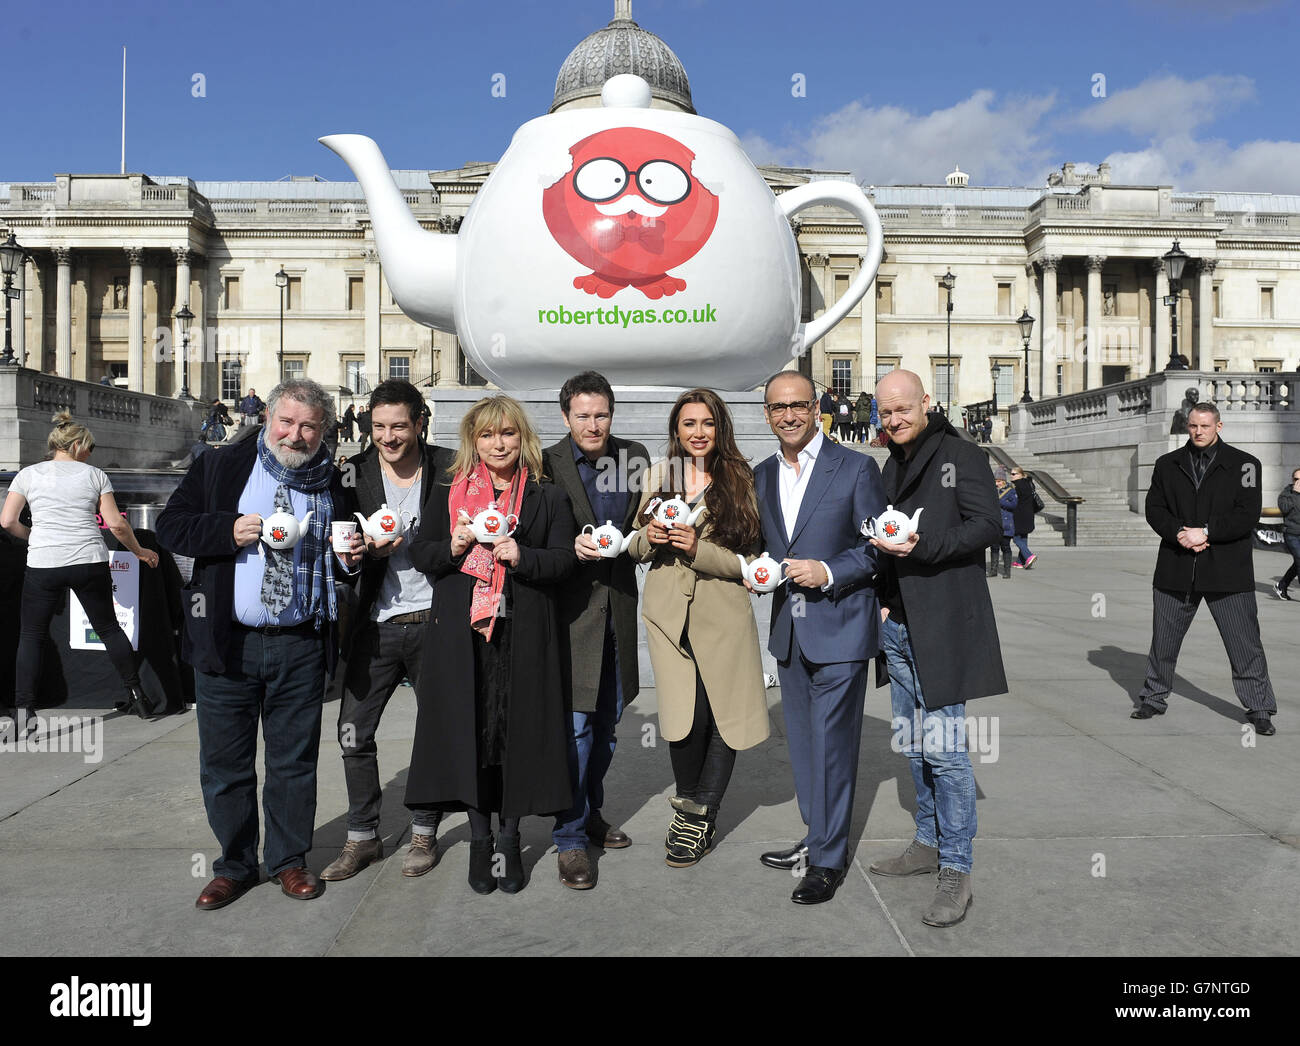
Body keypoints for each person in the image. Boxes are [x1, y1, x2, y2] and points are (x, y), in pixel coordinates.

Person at [156, 379, 365, 910]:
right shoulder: (220, 467)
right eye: (287, 422)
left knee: (293, 762)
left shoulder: (331, 484)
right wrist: (228, 531)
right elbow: (172, 527)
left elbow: (343, 554)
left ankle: (289, 862)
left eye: (309, 426)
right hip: (228, 643)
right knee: (225, 764)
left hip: (299, 641)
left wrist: (351, 556)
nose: (295, 435)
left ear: (324, 431)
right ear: (268, 418)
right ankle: (234, 865)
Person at [406, 395, 576, 894]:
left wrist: (523, 556)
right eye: (486, 434)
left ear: (522, 436)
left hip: (523, 632)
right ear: (472, 441)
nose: (497, 444)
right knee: (471, 732)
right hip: (461, 635)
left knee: (513, 734)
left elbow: (565, 561)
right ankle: (479, 839)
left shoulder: (546, 493)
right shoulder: (449, 489)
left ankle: (509, 835)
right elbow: (423, 553)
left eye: (507, 433)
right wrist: (455, 546)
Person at [867, 370, 1006, 927]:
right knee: (911, 743)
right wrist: (881, 595)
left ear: (926, 402)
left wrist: (924, 547)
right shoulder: (890, 463)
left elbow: (988, 527)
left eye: (903, 409)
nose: (894, 419)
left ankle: (957, 870)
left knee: (946, 752)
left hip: (943, 626)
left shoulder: (961, 455)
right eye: (885, 412)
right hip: (898, 626)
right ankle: (926, 842)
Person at [753, 372, 886, 904]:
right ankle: (816, 837)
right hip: (790, 631)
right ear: (766, 414)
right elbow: (764, 543)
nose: (789, 415)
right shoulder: (761, 474)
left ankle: (828, 861)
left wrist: (828, 572)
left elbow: (879, 545)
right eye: (778, 407)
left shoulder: (856, 468)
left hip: (840, 627)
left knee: (833, 748)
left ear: (817, 409)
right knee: (806, 749)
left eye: (799, 406)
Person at [320, 381, 456, 883]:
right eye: (379, 427)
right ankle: (363, 836)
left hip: (435, 620)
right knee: (353, 733)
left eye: (399, 426)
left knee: (436, 731)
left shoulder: (450, 467)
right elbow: (335, 546)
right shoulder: (353, 472)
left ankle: (424, 829)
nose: (389, 437)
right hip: (374, 623)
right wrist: (355, 558)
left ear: (420, 422)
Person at [627, 389, 769, 868]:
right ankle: (690, 804)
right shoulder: (657, 476)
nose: (698, 433)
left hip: (722, 615)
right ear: (677, 430)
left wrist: (695, 548)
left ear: (720, 427)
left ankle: (697, 816)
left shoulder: (741, 480)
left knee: (723, 716)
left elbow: (750, 562)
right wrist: (647, 537)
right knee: (684, 720)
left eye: (707, 423)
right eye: (689, 424)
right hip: (669, 617)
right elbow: (636, 548)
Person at [543, 371, 650, 889]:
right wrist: (570, 551)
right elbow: (534, 533)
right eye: (582, 415)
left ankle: (591, 813)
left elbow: (643, 524)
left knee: (608, 725)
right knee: (577, 727)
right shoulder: (545, 463)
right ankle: (568, 837)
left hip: (620, 607)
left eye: (601, 414)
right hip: (572, 614)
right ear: (565, 417)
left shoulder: (634, 458)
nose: (593, 424)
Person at [1, 412, 161, 734]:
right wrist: (141, 552)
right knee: (109, 629)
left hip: (44, 563)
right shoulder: (95, 475)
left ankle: (24, 711)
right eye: (88, 447)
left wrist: (35, 536)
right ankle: (138, 695)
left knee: (31, 636)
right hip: (89, 559)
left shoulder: (28, 475)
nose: (91, 453)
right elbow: (116, 524)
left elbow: (7, 521)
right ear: (75, 445)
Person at [1132, 403, 1277, 735]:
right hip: (1176, 565)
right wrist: (1180, 533)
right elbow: (1154, 508)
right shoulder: (1167, 464)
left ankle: (1260, 708)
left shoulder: (1245, 465)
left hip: (1228, 571)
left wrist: (1207, 532)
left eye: (1205, 426)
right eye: (1193, 426)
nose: (1198, 431)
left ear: (1219, 426)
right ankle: (1153, 698)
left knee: (1244, 642)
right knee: (1163, 641)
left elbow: (1247, 513)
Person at [1274, 468, 1300, 600]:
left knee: (1298, 563)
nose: (1299, 482)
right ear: (1292, 480)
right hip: (1292, 534)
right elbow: (1284, 508)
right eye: (1296, 479)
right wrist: (1295, 494)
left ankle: (1282, 585)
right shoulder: (1286, 494)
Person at [988, 467, 1018, 579]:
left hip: (1006, 525)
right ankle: (993, 570)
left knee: (1005, 547)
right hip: (994, 524)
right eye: (995, 481)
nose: (997, 483)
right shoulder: (991, 491)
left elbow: (1014, 505)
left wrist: (1000, 501)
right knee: (994, 548)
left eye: (999, 481)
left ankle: (1007, 571)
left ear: (1004, 481)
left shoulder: (1011, 491)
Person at [1009, 466, 1039, 568]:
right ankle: (1020, 561)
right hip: (1029, 514)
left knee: (1016, 538)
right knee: (1023, 537)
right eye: (1011, 474)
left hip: (1020, 515)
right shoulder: (1028, 484)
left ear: (1021, 475)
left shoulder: (1018, 486)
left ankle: (1029, 555)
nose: (1011, 476)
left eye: (1014, 474)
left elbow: (1015, 502)